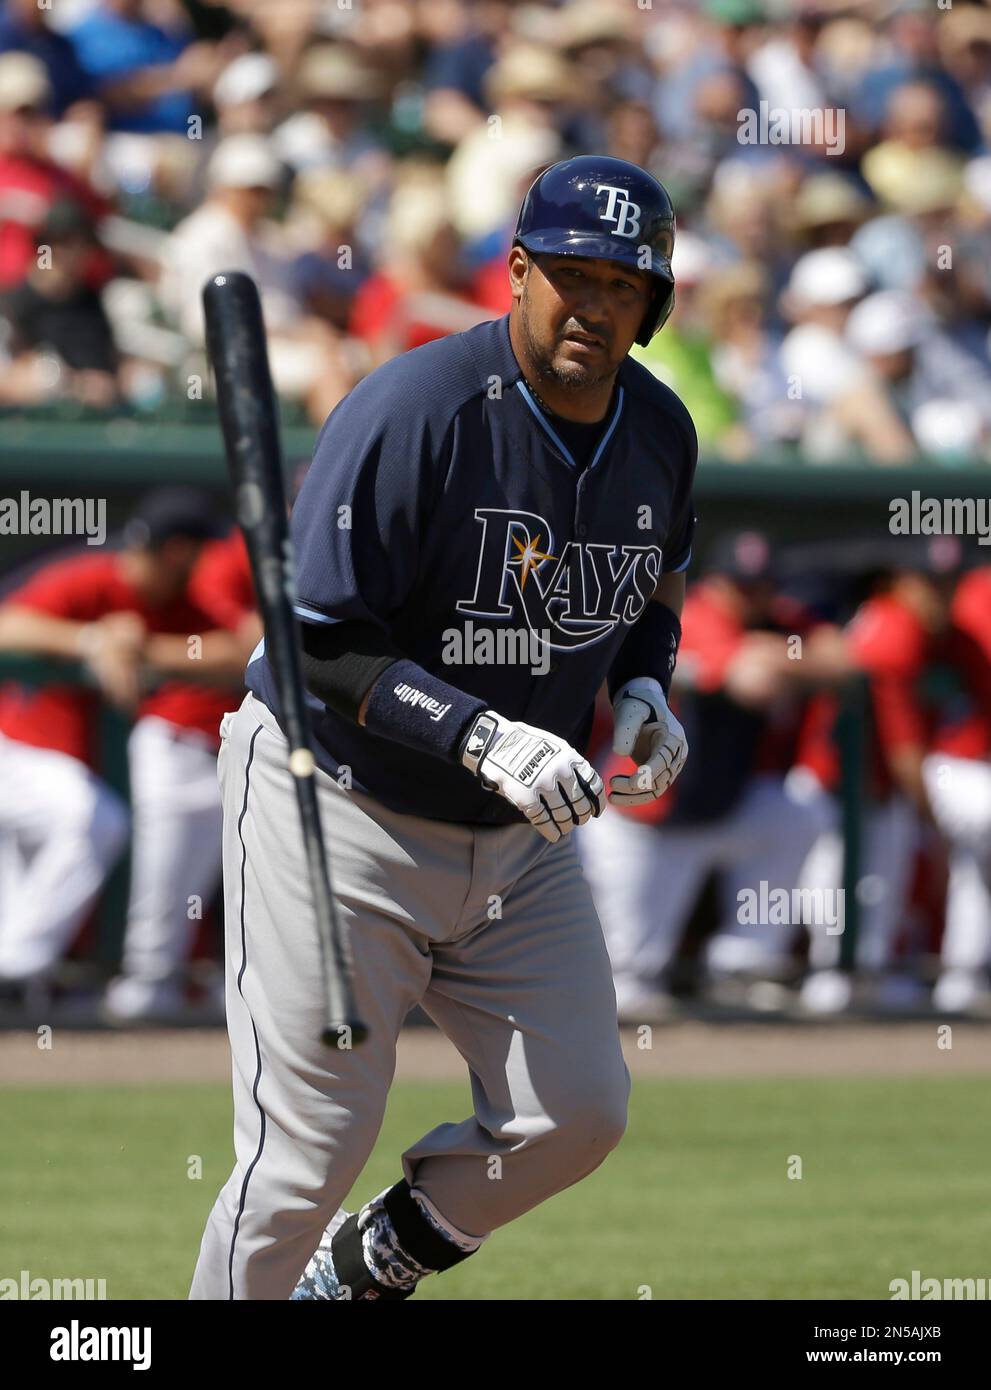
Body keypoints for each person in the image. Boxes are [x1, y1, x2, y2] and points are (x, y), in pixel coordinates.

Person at [190, 155, 697, 1301]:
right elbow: (314, 640)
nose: (595, 304)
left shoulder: (660, 429)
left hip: (517, 838)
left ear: (654, 304)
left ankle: (370, 1262)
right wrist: (478, 732)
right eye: (571, 275)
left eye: (623, 285)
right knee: (304, 1156)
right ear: (515, 272)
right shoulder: (419, 406)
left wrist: (645, 685)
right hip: (338, 802)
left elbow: (660, 573)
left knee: (577, 1112)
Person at [0, 490, 240, 997]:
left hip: (70, 770)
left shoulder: (184, 603)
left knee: (80, 829)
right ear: (179, 551)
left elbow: (244, 653)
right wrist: (92, 640)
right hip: (17, 749)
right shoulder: (96, 576)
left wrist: (144, 650)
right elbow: (7, 626)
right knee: (90, 820)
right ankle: (16, 972)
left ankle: (28, 980)